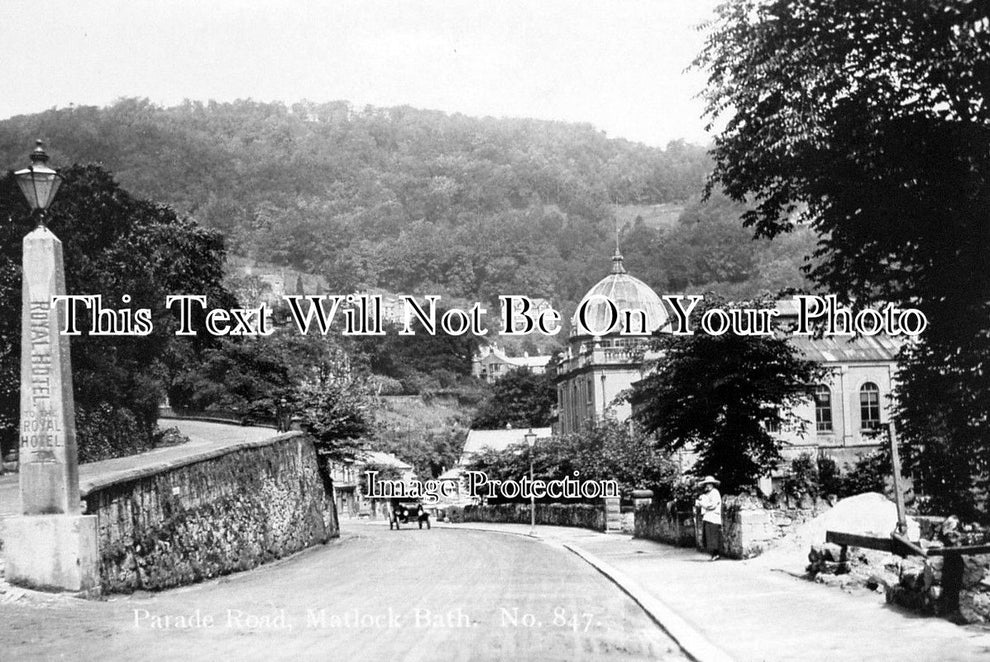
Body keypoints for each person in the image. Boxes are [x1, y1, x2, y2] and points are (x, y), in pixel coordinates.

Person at [695, 476, 722, 560]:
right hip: (707, 517)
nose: (708, 486)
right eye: (707, 484)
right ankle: (714, 554)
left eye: (710, 484)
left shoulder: (715, 492)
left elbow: (712, 505)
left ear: (713, 484)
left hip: (713, 517)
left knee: (713, 536)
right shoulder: (706, 494)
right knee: (709, 537)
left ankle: (716, 554)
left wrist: (702, 504)